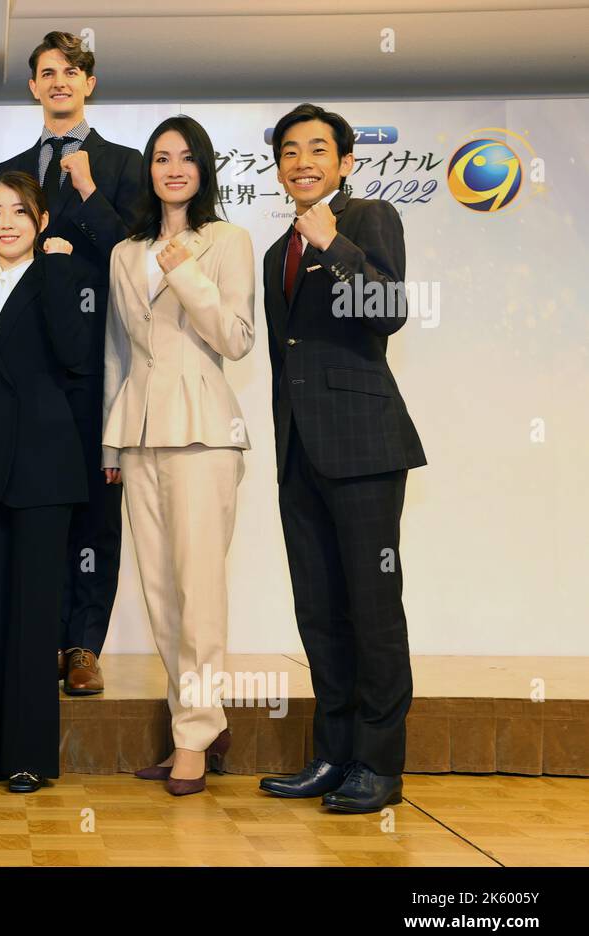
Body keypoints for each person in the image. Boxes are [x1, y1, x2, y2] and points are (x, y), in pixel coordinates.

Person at [255, 104, 426, 813]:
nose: (301, 161)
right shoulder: (274, 254)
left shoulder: (368, 219)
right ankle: (332, 754)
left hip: (364, 445)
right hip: (300, 452)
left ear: (346, 162)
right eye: (289, 151)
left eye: (318, 149)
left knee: (372, 607)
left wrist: (334, 245)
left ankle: (379, 766)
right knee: (320, 611)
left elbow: (386, 308)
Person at [101, 116, 255, 796]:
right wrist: (112, 438)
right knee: (161, 591)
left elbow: (237, 335)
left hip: (203, 430)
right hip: (139, 431)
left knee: (199, 592)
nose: (173, 169)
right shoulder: (123, 250)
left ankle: (194, 737)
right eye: (162, 158)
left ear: (204, 169)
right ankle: (194, 724)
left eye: (186, 158)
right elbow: (117, 350)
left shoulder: (225, 239)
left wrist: (187, 274)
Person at [0, 31, 143, 696]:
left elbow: (134, 257)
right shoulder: (13, 168)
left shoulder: (124, 165)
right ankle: (39, 640)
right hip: (27, 371)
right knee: (34, 506)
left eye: (70, 71)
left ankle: (83, 645)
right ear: (33, 86)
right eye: (46, 72)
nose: (58, 82)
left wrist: (85, 193)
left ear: (89, 84)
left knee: (92, 510)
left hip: (98, 364)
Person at [0, 171, 93, 794]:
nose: (6, 221)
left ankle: (31, 754)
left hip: (45, 467)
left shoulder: (64, 277)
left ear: (41, 221)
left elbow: (76, 353)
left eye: (20, 212)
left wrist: (57, 270)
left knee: (34, 616)